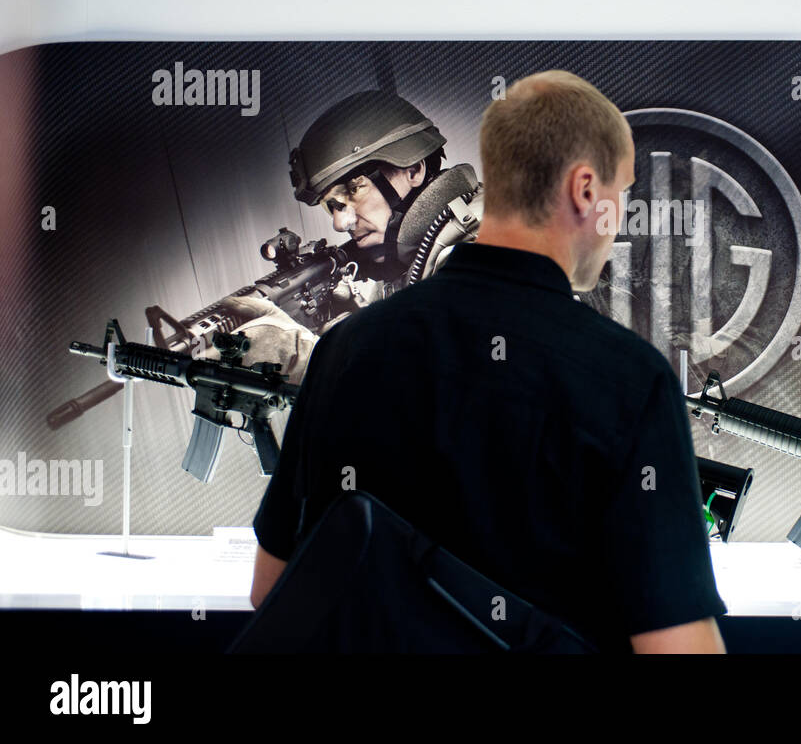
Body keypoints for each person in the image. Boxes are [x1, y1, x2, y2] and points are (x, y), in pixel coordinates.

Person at [249, 70, 728, 654]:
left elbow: (270, 591)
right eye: (618, 193)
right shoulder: (629, 379)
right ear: (584, 189)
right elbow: (676, 648)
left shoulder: (344, 351)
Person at [203, 90, 484, 383]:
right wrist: (358, 321)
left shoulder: (483, 249)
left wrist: (307, 356)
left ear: (413, 170)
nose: (340, 223)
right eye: (332, 206)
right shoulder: (411, 259)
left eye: (353, 190)